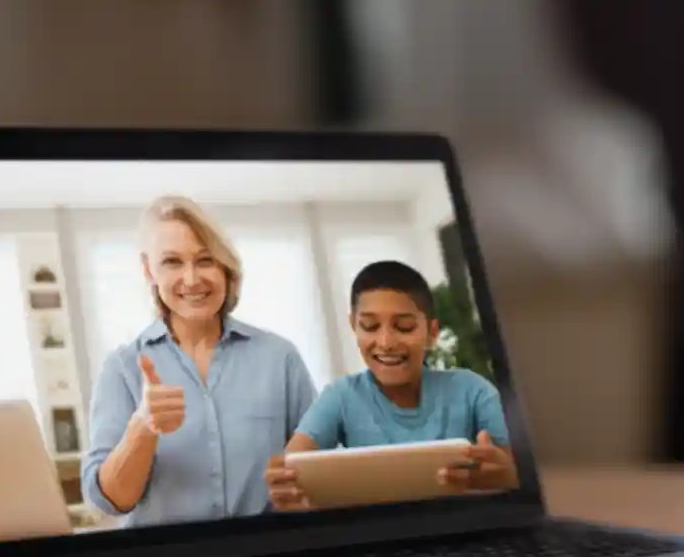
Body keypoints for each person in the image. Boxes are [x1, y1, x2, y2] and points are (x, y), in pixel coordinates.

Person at [81, 195, 317, 526]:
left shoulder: (280, 358)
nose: (191, 279)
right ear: (149, 270)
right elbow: (110, 501)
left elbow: (321, 473)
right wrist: (143, 427)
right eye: (172, 262)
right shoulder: (121, 368)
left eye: (205, 260)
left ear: (225, 267)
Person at [264, 261, 517, 511]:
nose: (385, 342)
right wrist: (286, 489)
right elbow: (290, 467)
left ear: (431, 332)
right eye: (370, 326)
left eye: (404, 326)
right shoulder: (341, 397)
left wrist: (505, 475)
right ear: (354, 326)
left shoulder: (472, 390)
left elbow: (523, 476)